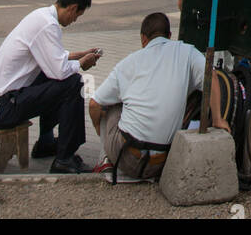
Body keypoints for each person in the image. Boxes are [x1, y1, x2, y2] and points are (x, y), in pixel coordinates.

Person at [88, 12, 229, 183]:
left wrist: (99, 129)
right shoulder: (188, 52)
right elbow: (211, 76)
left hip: (127, 159)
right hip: (162, 161)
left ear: (143, 38)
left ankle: (105, 160)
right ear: (169, 35)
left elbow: (94, 104)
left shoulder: (129, 63)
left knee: (110, 104)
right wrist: (218, 119)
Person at [0, 0, 99, 173]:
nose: (75, 20)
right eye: (77, 16)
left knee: (52, 77)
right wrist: (82, 63)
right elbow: (60, 71)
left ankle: (46, 142)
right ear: (72, 8)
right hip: (1, 110)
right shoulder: (48, 25)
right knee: (73, 83)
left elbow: (53, 57)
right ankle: (65, 159)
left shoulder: (41, 16)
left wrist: (80, 55)